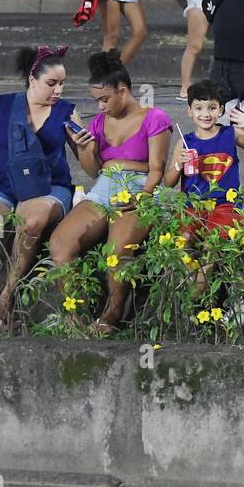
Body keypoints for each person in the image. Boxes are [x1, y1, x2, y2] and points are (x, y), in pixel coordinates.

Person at [51, 50, 172, 334]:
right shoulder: (98, 123)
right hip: (104, 187)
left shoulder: (154, 117)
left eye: (105, 99)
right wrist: (83, 148)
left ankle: (114, 312)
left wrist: (142, 195)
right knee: (60, 243)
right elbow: (93, 170)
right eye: (97, 101)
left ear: (123, 91)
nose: (101, 106)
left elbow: (157, 169)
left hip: (139, 187)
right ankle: (75, 310)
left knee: (116, 251)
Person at [0, 46, 79, 332]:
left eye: (62, 84)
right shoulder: (1, 106)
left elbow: (90, 165)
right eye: (51, 84)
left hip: (50, 187)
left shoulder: (67, 112)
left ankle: (5, 300)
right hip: (8, 186)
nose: (58, 91)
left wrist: (87, 146)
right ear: (32, 79)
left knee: (31, 222)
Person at [163, 79, 244, 234]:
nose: (205, 114)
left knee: (215, 242)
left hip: (226, 205)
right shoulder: (185, 142)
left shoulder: (231, 133)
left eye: (212, 108)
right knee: (184, 239)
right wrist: (179, 166)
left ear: (221, 110)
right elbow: (168, 183)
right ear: (189, 111)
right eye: (198, 108)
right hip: (193, 206)